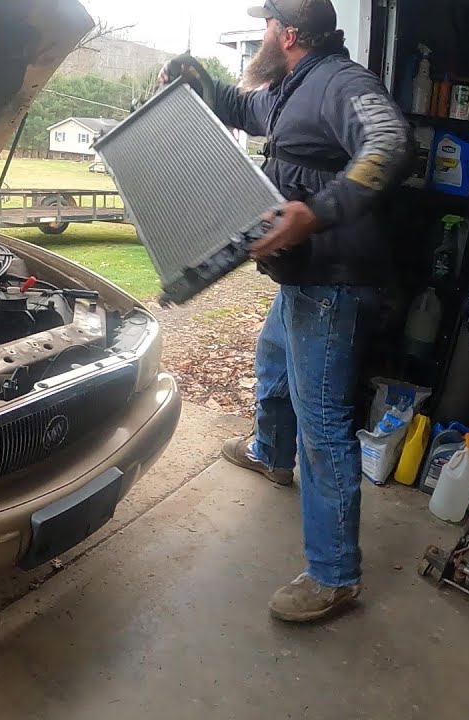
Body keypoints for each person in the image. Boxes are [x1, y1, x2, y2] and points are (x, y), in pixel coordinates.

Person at [165, 0, 412, 622]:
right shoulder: (289, 87)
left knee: (324, 423)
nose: (261, 31)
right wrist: (197, 78)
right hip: (303, 275)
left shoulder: (341, 83)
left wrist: (314, 211)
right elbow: (240, 107)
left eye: (267, 22)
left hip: (335, 278)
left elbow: (390, 143)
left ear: (290, 33)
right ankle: (272, 456)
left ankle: (334, 576)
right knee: (272, 356)